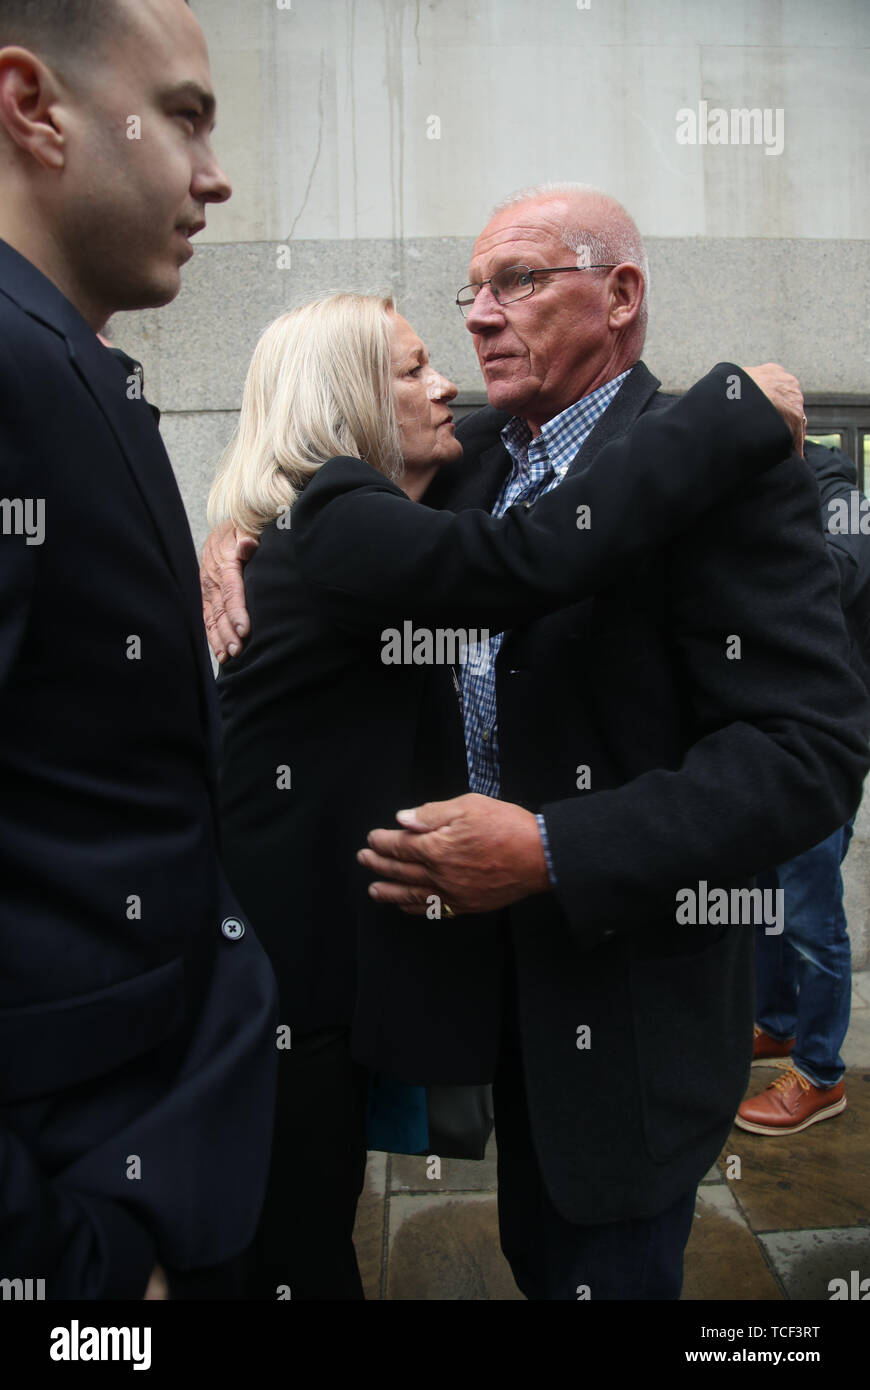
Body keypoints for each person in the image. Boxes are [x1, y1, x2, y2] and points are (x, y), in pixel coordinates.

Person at [201, 183, 870, 1300]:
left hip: (630, 1026)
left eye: (518, 279)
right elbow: (341, 466)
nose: (475, 318)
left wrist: (556, 847)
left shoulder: (717, 464)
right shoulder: (463, 456)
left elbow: (806, 756)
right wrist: (237, 527)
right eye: (471, 290)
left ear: (620, 296)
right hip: (466, 1003)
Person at [0, 0, 277, 1299]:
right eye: (182, 116)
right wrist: (71, 1268)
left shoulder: (67, 364)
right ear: (33, 106)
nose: (214, 175)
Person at [737, 439, 870, 1135]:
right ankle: (778, 1022)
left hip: (825, 737)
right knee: (766, 892)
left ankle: (821, 1075)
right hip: (771, 732)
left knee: (813, 910)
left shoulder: (844, 499)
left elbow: (838, 576)